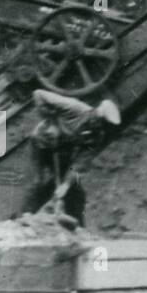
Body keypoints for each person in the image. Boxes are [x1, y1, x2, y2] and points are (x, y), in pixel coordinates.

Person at [26, 88, 121, 226]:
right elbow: (38, 94)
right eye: (97, 120)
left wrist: (65, 185)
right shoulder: (75, 107)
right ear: (95, 112)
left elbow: (80, 163)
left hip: (61, 151)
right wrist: (50, 119)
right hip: (42, 143)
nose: (98, 125)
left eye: (102, 124)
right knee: (37, 182)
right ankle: (25, 220)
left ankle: (78, 229)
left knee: (75, 191)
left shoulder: (97, 135)